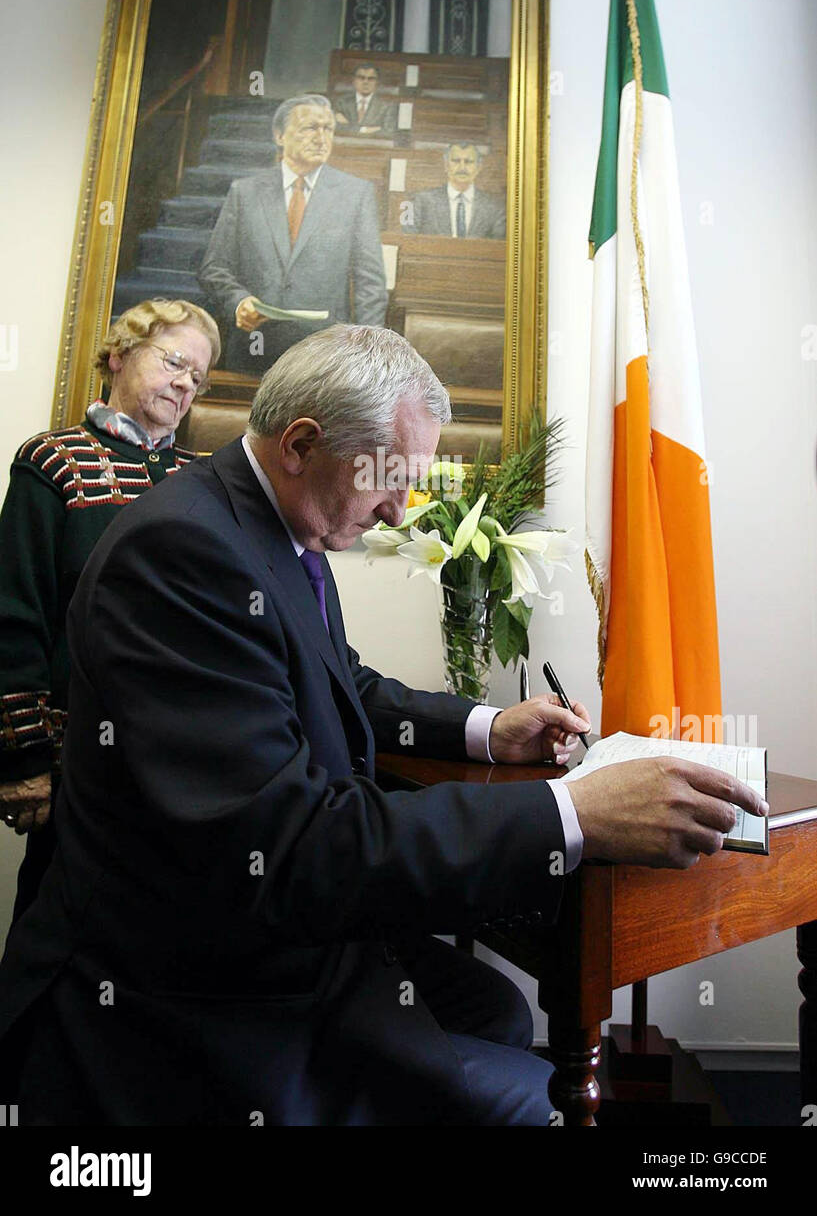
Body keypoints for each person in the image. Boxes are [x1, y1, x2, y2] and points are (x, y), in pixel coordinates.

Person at [0, 326, 766, 1126]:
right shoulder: (180, 552)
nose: (401, 508)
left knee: (496, 1008)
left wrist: (489, 726)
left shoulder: (266, 523)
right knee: (539, 1105)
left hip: (268, 939)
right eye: (391, 479)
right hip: (191, 987)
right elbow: (289, 845)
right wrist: (575, 812)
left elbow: (346, 686)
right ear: (301, 443)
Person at [0, 298, 220, 923]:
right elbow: (15, 613)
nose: (185, 382)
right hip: (76, 765)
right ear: (119, 355)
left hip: (179, 768)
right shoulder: (51, 462)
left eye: (197, 377)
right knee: (54, 930)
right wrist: (22, 761)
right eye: (174, 361)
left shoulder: (201, 480)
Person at [198, 93, 388, 376]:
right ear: (279, 136)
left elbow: (369, 284)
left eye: (328, 129)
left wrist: (367, 353)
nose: (321, 138)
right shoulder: (245, 192)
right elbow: (214, 268)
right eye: (310, 128)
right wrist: (238, 301)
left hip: (323, 355)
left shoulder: (355, 194)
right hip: (254, 348)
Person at [408, 142, 506, 238]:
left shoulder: (494, 207)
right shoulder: (422, 201)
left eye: (468, 162)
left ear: (478, 167)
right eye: (456, 161)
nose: (462, 167)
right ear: (446, 165)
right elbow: (409, 241)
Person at [333, 63, 397, 136]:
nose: (365, 82)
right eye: (361, 78)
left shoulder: (387, 106)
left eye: (371, 79)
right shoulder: (341, 102)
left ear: (377, 83)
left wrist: (350, 127)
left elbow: (388, 132)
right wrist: (364, 130)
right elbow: (334, 127)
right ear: (354, 81)